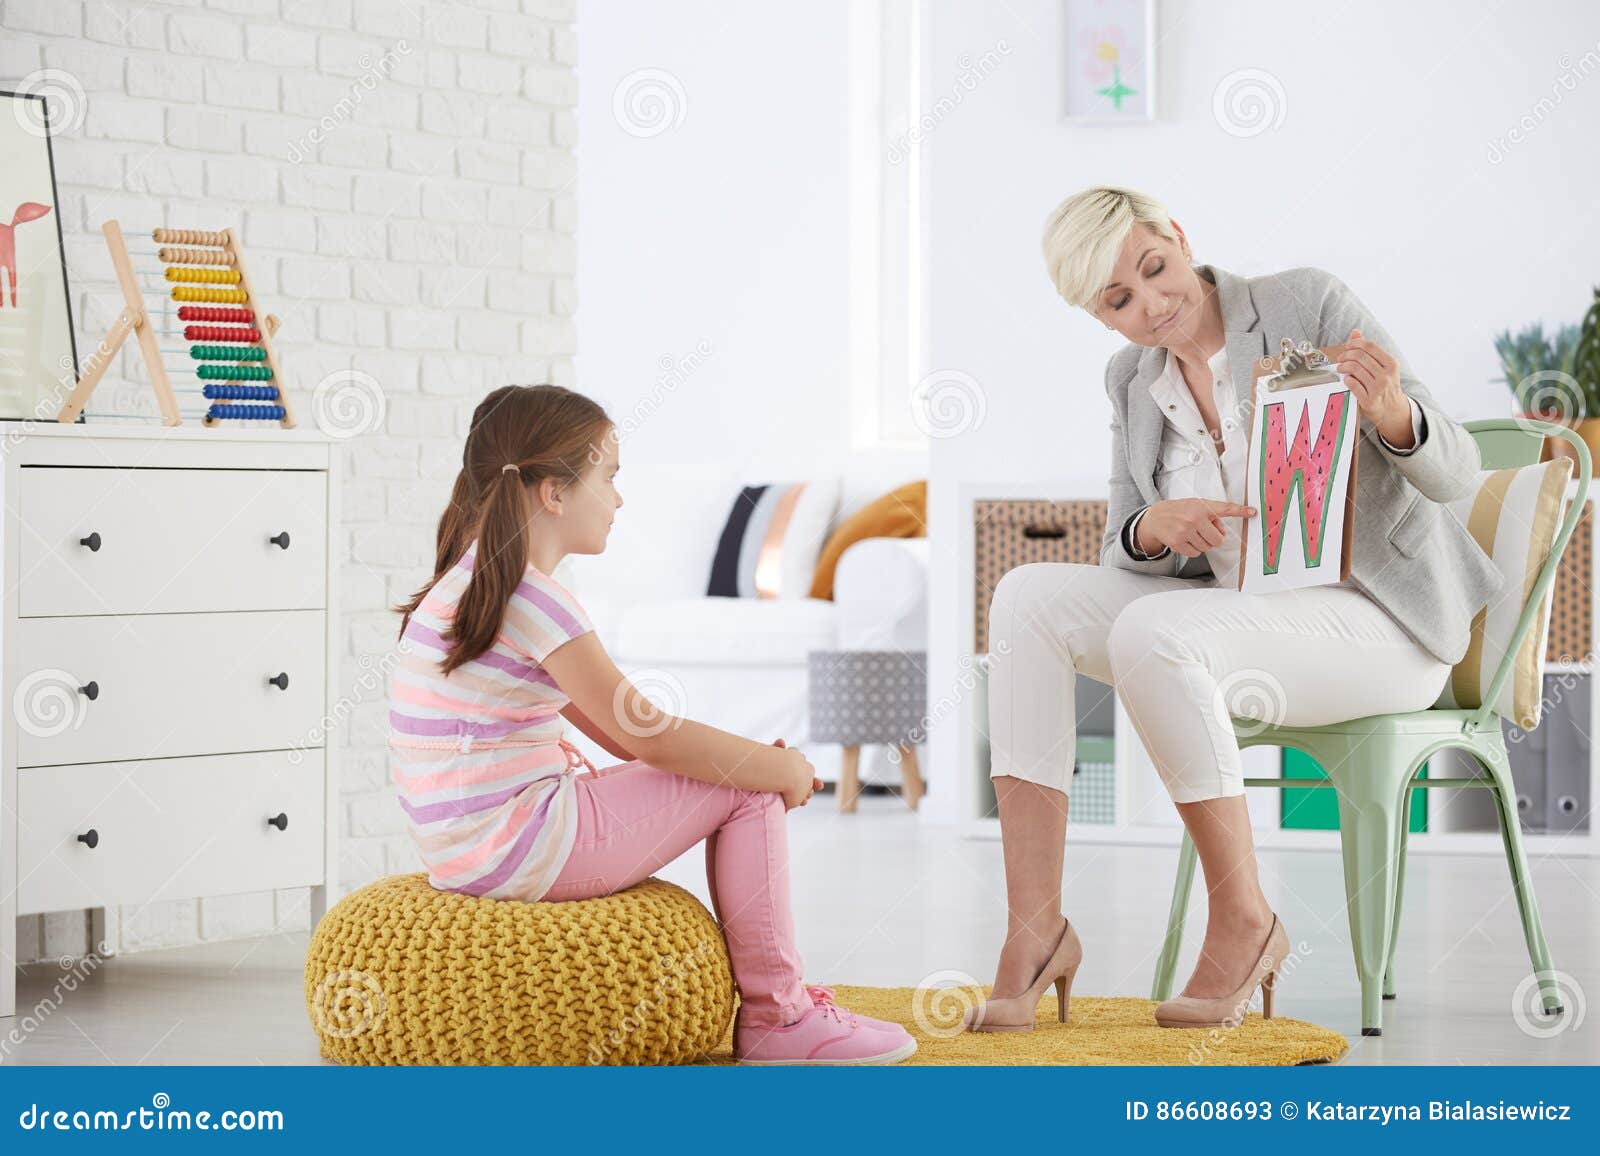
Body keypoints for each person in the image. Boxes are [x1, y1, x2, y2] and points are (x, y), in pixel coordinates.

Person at [965, 186, 1502, 1033]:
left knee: (1153, 630)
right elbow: (1121, 544)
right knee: (1025, 596)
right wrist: (1153, 528)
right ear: (1099, 317)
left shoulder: (1302, 303)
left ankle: (1246, 919)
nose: (1152, 305)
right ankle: (1036, 931)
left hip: (1382, 625)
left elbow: (1460, 472)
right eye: (1119, 300)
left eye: (1155, 268)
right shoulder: (1132, 380)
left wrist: (1393, 412)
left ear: (1179, 238)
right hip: (1239, 622)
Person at [391, 384, 917, 1065]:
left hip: (465, 852)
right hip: (522, 848)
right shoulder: (535, 598)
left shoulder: (471, 585)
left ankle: (781, 1010)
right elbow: (651, 736)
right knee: (748, 790)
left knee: (739, 773)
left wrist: (747, 755)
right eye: (609, 477)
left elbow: (619, 732)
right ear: (554, 493)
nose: (619, 499)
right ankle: (779, 1019)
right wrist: (775, 768)